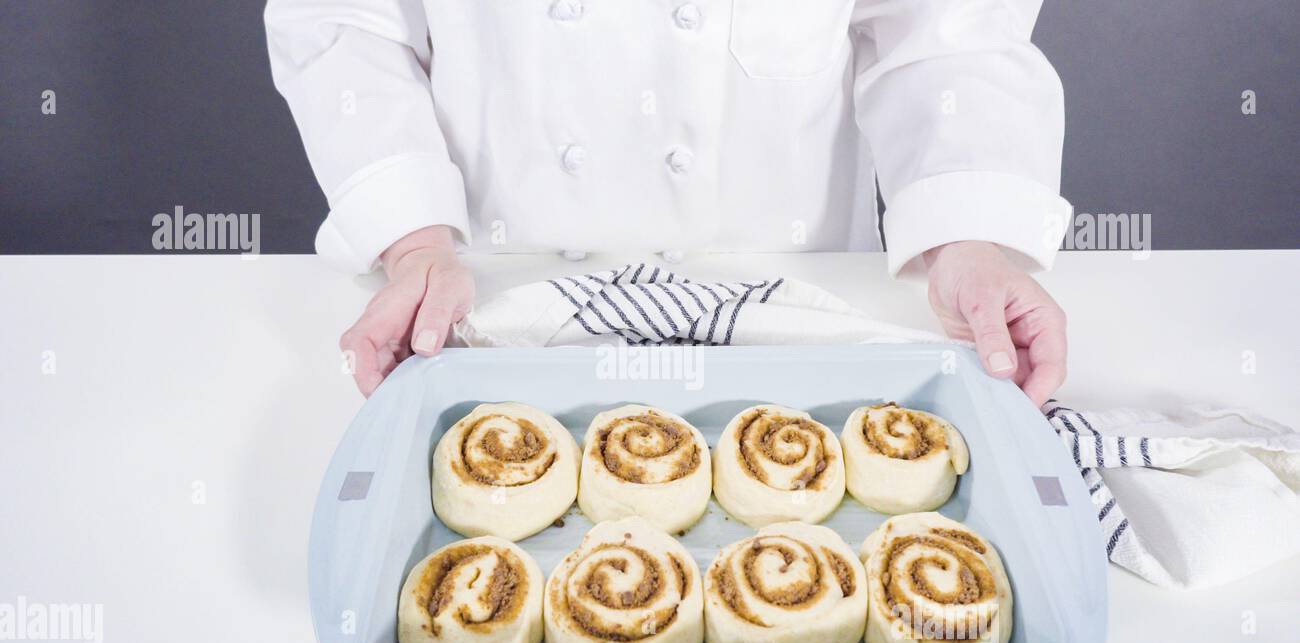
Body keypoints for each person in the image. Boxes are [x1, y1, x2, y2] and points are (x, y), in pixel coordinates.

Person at [266, 0, 1070, 404]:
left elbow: (944, 32)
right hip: (488, 318)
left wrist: (971, 241)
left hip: (801, 326)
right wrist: (412, 240)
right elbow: (346, 23)